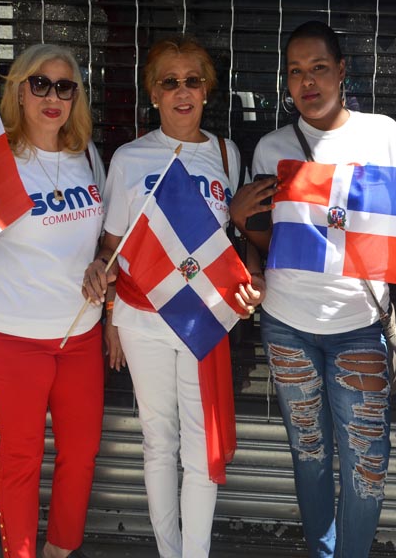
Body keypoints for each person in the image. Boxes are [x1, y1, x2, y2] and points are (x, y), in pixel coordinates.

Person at [229, 20, 396, 558]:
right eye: (295, 72)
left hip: (360, 327)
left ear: (342, 70)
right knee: (311, 455)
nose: (307, 82)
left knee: (367, 465)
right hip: (286, 324)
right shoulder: (272, 148)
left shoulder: (383, 134)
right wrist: (239, 218)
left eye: (319, 68)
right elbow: (268, 243)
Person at [81, 34, 264, 558]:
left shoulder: (227, 156)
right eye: (170, 82)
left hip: (205, 319)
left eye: (192, 80)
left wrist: (252, 279)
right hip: (142, 318)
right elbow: (112, 250)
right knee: (159, 442)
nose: (182, 91)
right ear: (153, 93)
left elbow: (245, 236)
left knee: (200, 447)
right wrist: (111, 318)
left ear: (207, 90)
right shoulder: (128, 158)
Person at [0, 44, 107, 558]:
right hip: (9, 334)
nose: (52, 96)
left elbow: (102, 240)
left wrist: (98, 266)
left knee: (81, 453)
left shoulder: (87, 155)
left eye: (65, 87)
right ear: (19, 89)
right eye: (40, 83)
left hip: (78, 333)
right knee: (21, 455)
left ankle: (62, 547)